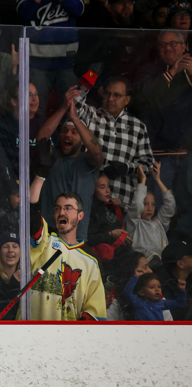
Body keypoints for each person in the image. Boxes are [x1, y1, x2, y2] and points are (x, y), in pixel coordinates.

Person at [17, 0, 85, 109]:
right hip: (37, 64)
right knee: (35, 109)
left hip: (66, 64)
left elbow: (78, 9)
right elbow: (25, 12)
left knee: (73, 109)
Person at [27, 177, 106, 320]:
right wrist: (39, 177)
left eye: (68, 208)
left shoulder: (91, 261)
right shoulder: (45, 240)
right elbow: (30, 211)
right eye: (58, 208)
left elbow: (94, 312)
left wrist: (75, 337)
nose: (62, 212)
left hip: (68, 339)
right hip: (31, 332)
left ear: (80, 215)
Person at [72, 80, 154, 207]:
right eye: (107, 94)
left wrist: (126, 168)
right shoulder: (91, 115)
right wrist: (90, 76)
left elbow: (149, 165)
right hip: (90, 200)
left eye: (117, 95)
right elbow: (74, 104)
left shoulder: (138, 127)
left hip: (124, 201)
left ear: (127, 100)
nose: (110, 99)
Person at [38, 98, 104, 242]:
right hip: (48, 238)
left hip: (77, 239)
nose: (68, 135)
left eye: (74, 132)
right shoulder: (51, 158)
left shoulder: (88, 162)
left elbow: (97, 152)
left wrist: (74, 117)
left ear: (82, 139)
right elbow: (41, 139)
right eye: (65, 131)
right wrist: (63, 109)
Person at [126, 163, 175, 262]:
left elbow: (170, 204)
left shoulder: (159, 223)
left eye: (153, 204)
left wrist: (158, 179)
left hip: (160, 266)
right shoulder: (133, 223)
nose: (150, 208)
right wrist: (143, 180)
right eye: (145, 204)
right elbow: (137, 205)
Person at [88, 173, 130, 263]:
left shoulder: (108, 206)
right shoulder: (91, 211)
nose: (107, 191)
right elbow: (89, 239)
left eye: (108, 186)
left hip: (118, 252)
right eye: (102, 187)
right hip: (103, 258)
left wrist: (117, 209)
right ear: (93, 190)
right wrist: (110, 234)